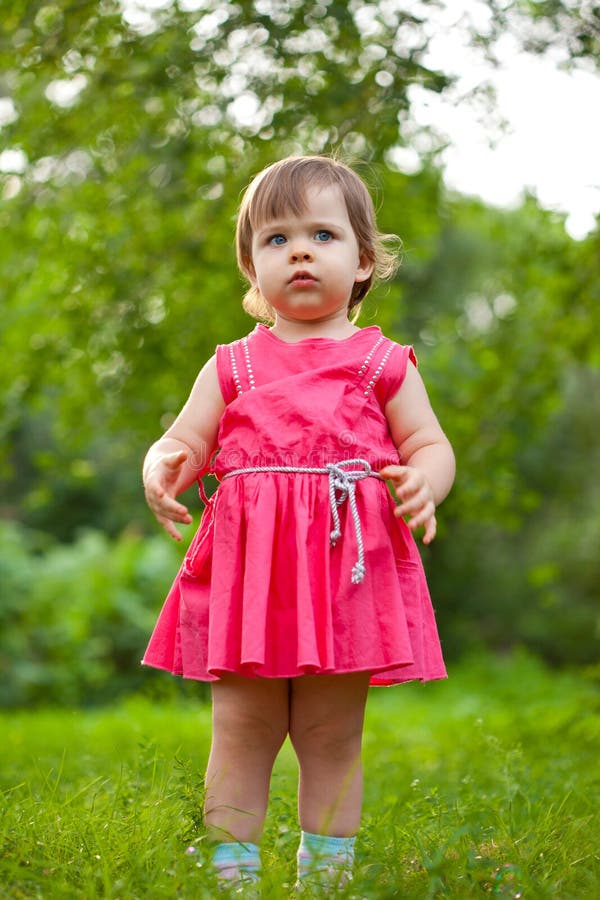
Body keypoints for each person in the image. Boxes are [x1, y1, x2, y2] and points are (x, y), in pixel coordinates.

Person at [142, 155, 455, 892]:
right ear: (252, 267)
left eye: (323, 234)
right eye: (277, 240)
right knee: (242, 730)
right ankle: (231, 879)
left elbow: (429, 444)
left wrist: (424, 483)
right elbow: (185, 440)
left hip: (346, 573)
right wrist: (161, 464)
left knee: (331, 733)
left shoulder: (382, 363)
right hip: (252, 576)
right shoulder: (232, 366)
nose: (302, 251)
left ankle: (326, 883)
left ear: (365, 259)